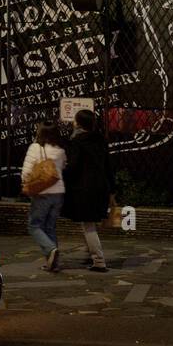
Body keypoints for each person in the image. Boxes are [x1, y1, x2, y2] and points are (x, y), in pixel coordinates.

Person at [61, 108, 110, 272]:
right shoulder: (101, 140)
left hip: (85, 188)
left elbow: (73, 166)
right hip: (100, 186)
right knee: (87, 224)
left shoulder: (77, 141)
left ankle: (99, 261)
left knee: (88, 225)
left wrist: (61, 174)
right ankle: (89, 254)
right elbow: (109, 166)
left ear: (78, 123)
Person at [21, 121, 66, 271]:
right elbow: (63, 167)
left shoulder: (35, 147)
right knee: (50, 227)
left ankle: (50, 249)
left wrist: (26, 184)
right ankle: (52, 263)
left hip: (42, 193)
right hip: (59, 192)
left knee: (34, 226)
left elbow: (27, 171)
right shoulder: (60, 150)